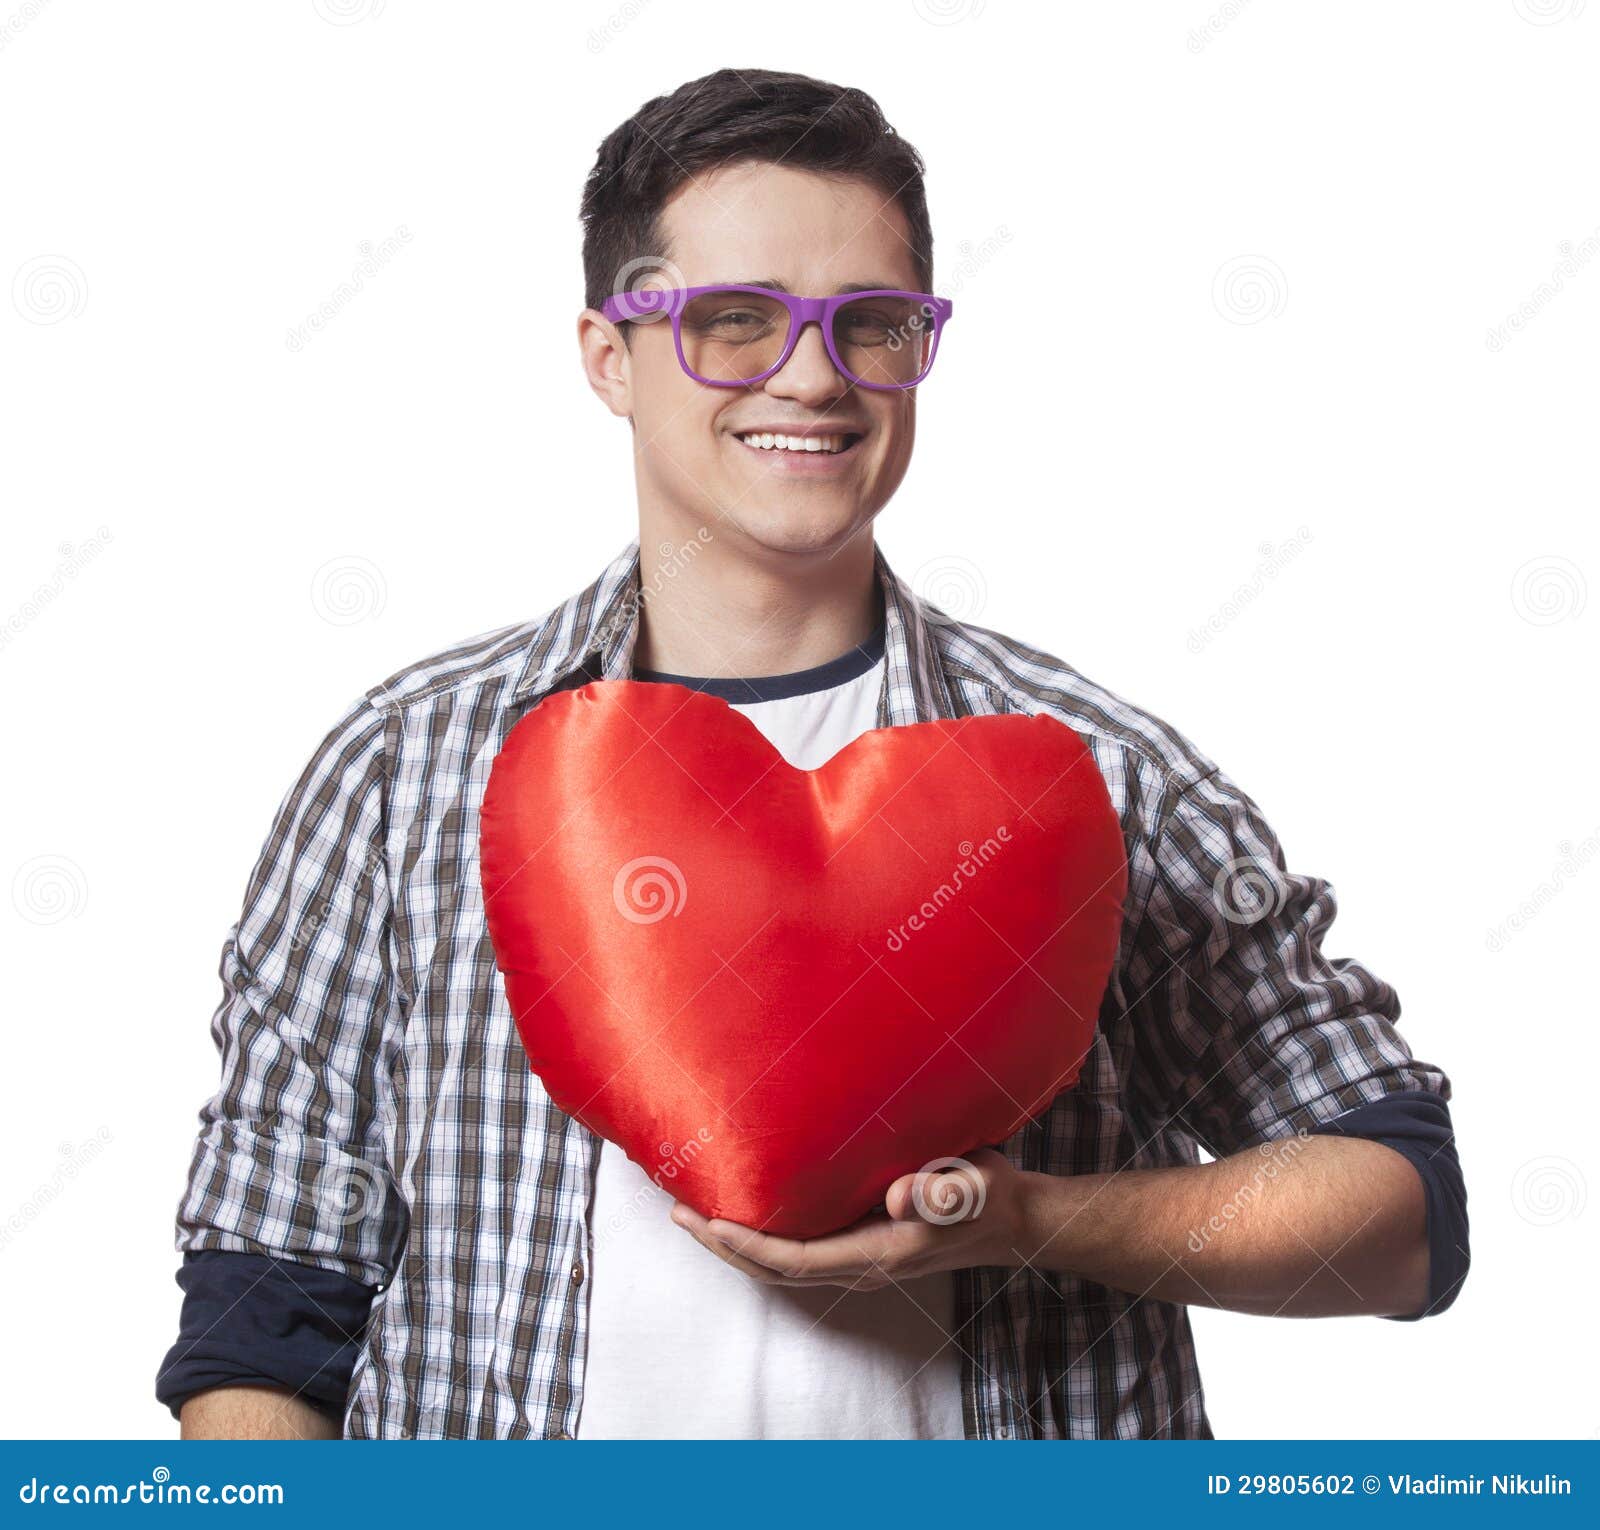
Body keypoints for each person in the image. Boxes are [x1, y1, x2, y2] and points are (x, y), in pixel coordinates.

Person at [156, 67, 1467, 1441]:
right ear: (608, 355)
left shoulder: (1095, 778)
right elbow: (266, 1298)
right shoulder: (402, 776)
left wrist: (1036, 1218)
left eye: (873, 324)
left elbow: (1403, 1213)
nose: (812, 376)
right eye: (734, 321)